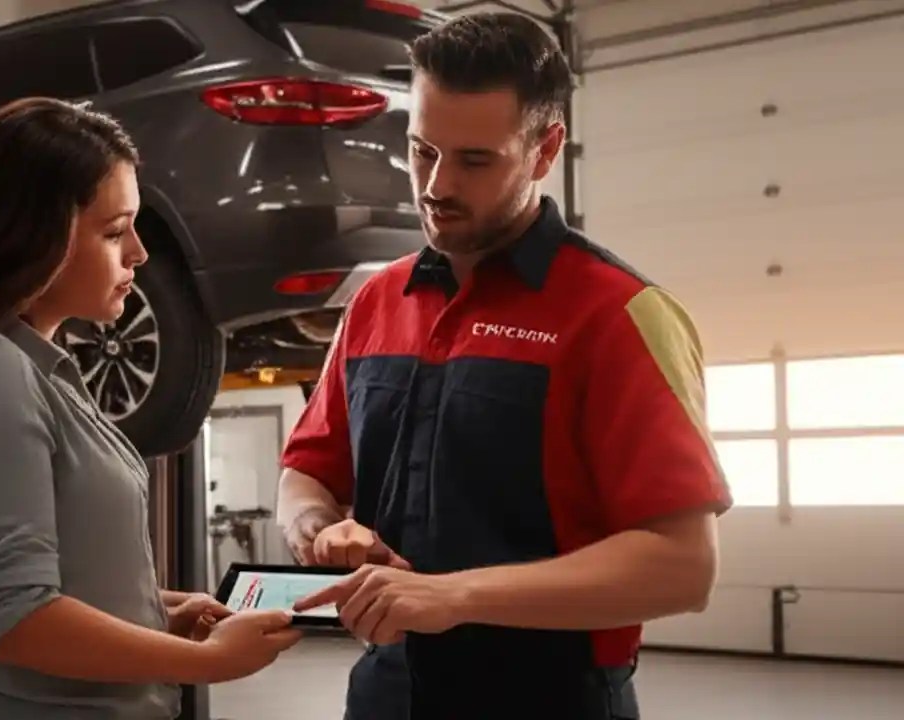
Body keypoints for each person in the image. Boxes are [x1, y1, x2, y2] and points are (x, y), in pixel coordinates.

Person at [277, 12, 733, 720]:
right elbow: (307, 470)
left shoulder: (618, 316)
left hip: (549, 698)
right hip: (384, 693)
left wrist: (452, 596)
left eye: (474, 160)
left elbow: (683, 567)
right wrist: (317, 528)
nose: (436, 184)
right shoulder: (374, 302)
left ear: (545, 150)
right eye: (422, 151)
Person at [0, 97, 301, 719]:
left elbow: (41, 578)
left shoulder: (35, 371)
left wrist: (156, 610)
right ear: (33, 236)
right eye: (112, 230)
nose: (139, 253)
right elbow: (19, 619)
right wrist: (210, 663)